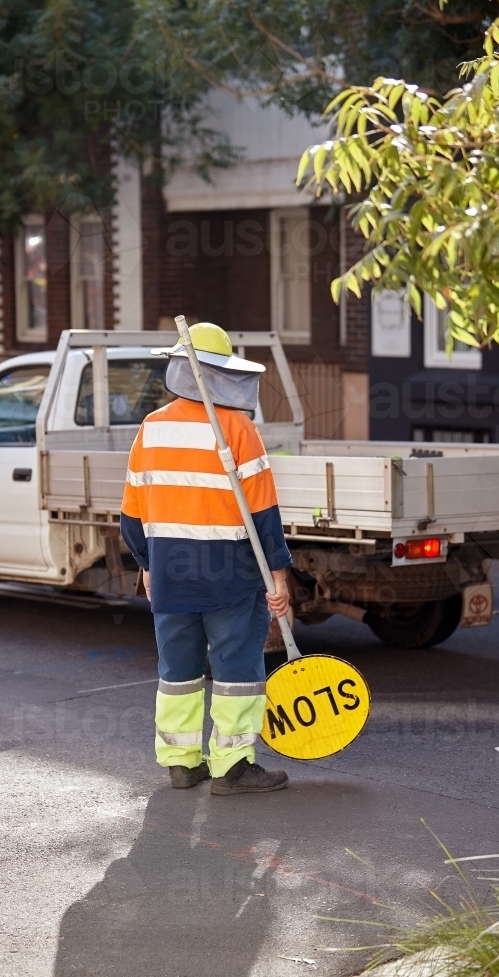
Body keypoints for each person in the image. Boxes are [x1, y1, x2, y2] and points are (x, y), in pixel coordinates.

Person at [120, 323, 292, 795]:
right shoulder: (238, 428)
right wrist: (277, 575)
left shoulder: (150, 428)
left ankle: (181, 763)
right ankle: (232, 767)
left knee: (178, 670)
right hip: (229, 574)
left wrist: (146, 563)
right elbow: (263, 510)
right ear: (221, 373)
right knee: (236, 668)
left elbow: (133, 508)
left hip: (171, 572)